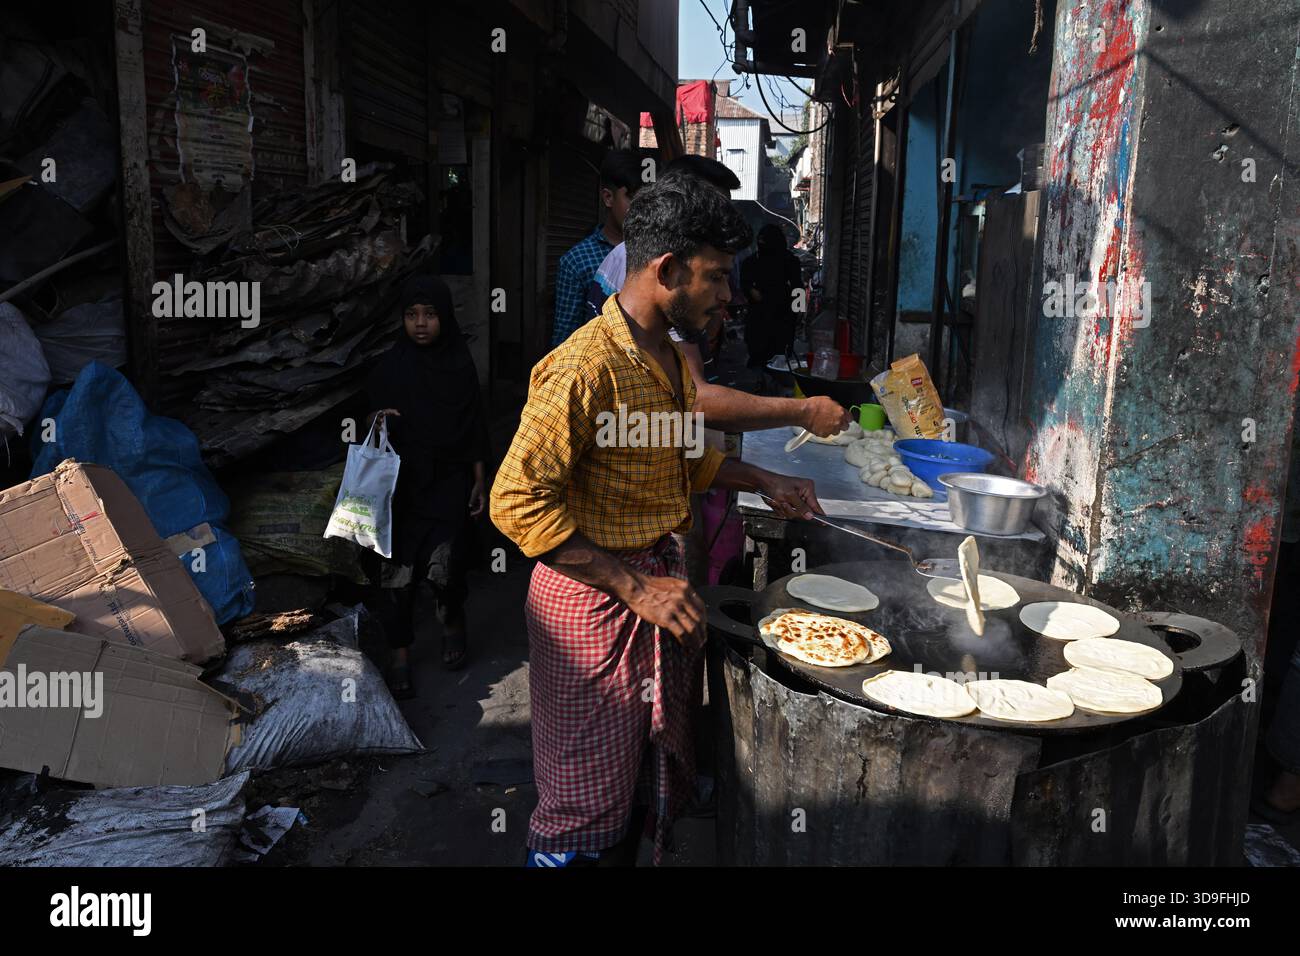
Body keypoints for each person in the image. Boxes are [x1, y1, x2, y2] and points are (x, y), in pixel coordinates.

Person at [491, 173, 825, 866]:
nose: (730, 295)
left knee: (636, 790)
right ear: (667, 270)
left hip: (649, 594)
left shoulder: (666, 360)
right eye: (718, 277)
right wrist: (634, 587)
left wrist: (764, 478)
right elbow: (516, 501)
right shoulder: (583, 368)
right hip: (591, 613)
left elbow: (678, 461)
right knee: (582, 814)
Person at [583, 155, 848, 439]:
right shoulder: (667, 286)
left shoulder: (631, 257)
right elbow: (696, 398)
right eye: (716, 206)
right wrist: (802, 412)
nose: (725, 294)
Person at [366, 275, 488, 697]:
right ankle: (399, 653)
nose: (420, 324)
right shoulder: (390, 366)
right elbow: (367, 424)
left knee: (446, 567)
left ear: (445, 317)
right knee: (395, 575)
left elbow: (474, 427)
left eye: (430, 315)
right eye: (412, 315)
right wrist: (378, 419)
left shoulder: (459, 365)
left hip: (448, 484)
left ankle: (452, 620)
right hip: (399, 490)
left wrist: (479, 481)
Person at [549, 148, 645, 348]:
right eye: (632, 198)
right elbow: (565, 340)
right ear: (608, 198)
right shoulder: (577, 262)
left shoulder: (658, 254)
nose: (641, 209)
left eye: (646, 200)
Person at [740, 224, 803, 368]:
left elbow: (797, 286)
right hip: (760, 313)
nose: (762, 243)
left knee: (779, 352)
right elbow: (745, 284)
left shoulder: (790, 260)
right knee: (758, 352)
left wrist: (799, 310)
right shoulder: (751, 262)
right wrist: (752, 292)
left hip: (783, 313)